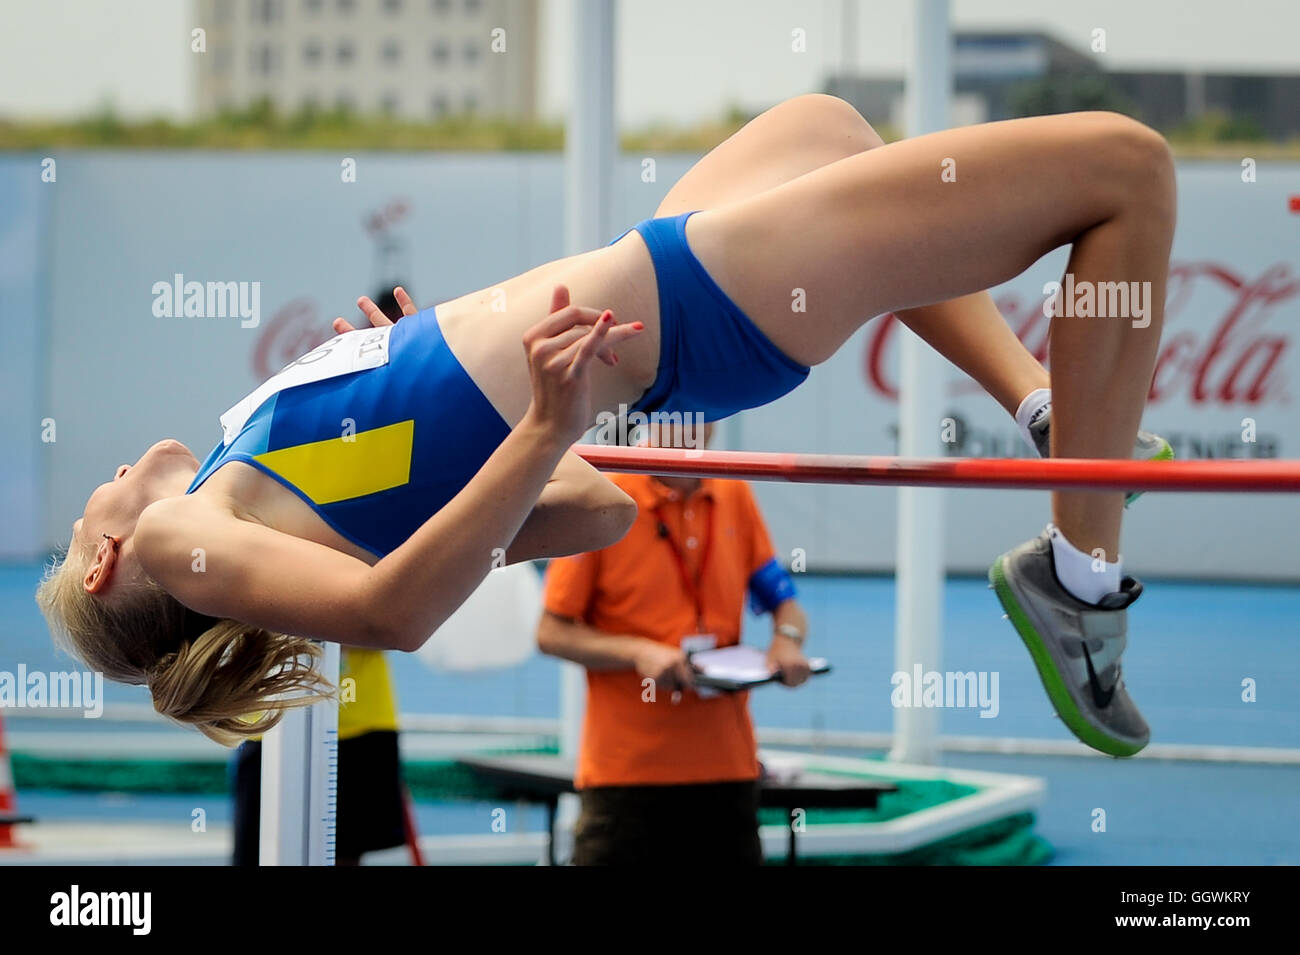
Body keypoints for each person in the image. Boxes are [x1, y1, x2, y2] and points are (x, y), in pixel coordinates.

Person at [38, 94, 1174, 757]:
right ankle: (1078, 576)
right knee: (1128, 169)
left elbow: (594, 505)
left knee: (828, 127)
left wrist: (427, 401)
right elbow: (393, 614)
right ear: (106, 559)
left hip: (663, 288)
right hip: (690, 309)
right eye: (103, 493)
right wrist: (534, 424)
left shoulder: (259, 485)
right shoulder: (191, 545)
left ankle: (1043, 410)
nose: (119, 473)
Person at [538, 421, 809, 865]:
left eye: (709, 407)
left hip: (727, 774)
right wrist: (637, 652)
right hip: (626, 778)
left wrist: (787, 641)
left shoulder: (734, 494)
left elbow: (786, 605)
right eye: (682, 404)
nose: (695, 421)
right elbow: (551, 632)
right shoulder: (604, 494)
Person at [229, 647, 407, 866]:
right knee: (256, 851)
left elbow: (391, 629)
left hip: (360, 722)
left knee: (344, 853)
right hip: (266, 724)